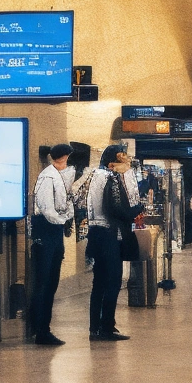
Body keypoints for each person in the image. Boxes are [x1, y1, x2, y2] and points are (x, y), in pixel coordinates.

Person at [86, 143, 137, 341]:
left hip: (97, 234)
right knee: (112, 281)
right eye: (122, 159)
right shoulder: (110, 178)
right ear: (112, 163)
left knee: (99, 283)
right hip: (109, 235)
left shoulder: (95, 176)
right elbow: (116, 208)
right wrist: (135, 210)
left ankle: (95, 327)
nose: (126, 163)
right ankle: (106, 327)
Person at [28, 143, 73, 346]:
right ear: (63, 158)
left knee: (51, 283)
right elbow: (47, 209)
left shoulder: (58, 176)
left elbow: (65, 204)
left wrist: (67, 215)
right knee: (44, 283)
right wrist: (63, 219)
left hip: (54, 232)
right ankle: (40, 330)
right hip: (46, 232)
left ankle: (42, 328)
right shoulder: (48, 177)